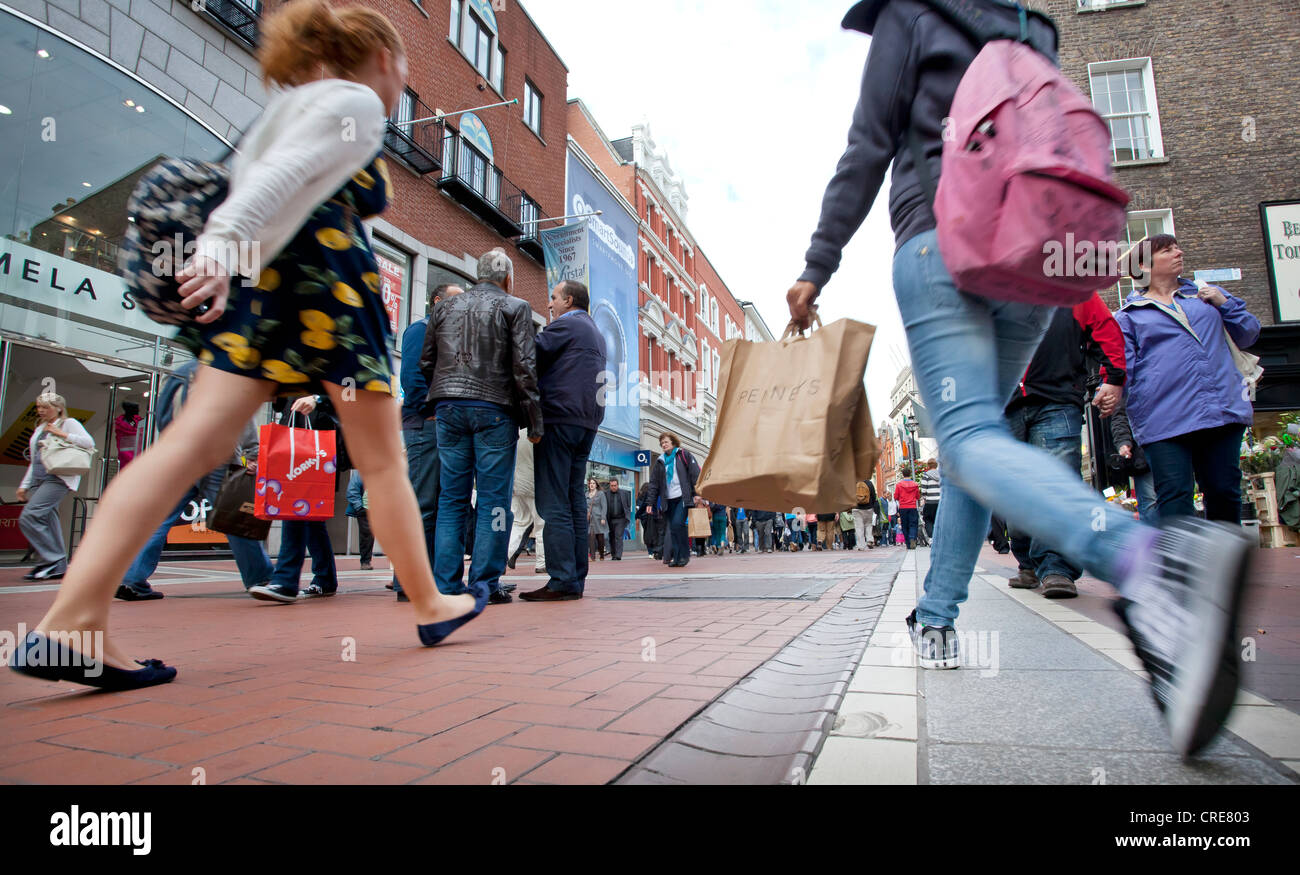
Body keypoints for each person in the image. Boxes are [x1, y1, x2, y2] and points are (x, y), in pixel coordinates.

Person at [786, 0, 1255, 757]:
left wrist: (817, 265)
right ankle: (937, 614)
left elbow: (869, 144)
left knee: (967, 437)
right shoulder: (1034, 25)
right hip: (1034, 255)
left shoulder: (911, 13)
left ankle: (1152, 564)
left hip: (944, 237)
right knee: (981, 442)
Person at [10, 1, 484, 693]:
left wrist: (229, 247)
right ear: (384, 59)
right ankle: (431, 602)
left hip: (262, 300)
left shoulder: (296, 101)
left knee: (186, 447)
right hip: (329, 299)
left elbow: (269, 172)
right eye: (405, 67)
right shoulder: (354, 101)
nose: (401, 80)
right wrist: (226, 239)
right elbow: (283, 176)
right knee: (383, 463)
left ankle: (71, 622)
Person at [422, 248, 541, 607]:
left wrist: (440, 396)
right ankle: (485, 583)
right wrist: (534, 421)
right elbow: (524, 369)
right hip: (494, 409)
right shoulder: (514, 307)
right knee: (494, 502)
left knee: (452, 499)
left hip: (449, 408)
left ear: (477, 274)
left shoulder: (443, 307)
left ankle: (445, 584)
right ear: (508, 278)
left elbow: (427, 360)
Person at [1114, 235, 1261, 524]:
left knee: (1223, 491)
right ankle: (1180, 567)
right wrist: (1111, 389)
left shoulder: (1207, 297)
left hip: (1220, 410)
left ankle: (1222, 564)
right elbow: (1123, 370)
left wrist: (1225, 303)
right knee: (1174, 497)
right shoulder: (1129, 316)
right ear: (1144, 265)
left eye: (1177, 247)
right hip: (1164, 418)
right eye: (1168, 250)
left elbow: (1249, 334)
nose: (1178, 252)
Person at [1004, 291, 1126, 598]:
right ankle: (1027, 561)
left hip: (1057, 399)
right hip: (1002, 405)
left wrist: (1113, 378)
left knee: (1056, 484)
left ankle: (1057, 566)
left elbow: (1105, 328)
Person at [118, 360, 273, 601]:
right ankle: (261, 578)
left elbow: (163, 415)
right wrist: (251, 454)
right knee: (234, 517)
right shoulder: (221, 368)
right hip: (213, 455)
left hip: (179, 455)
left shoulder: (179, 373)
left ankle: (132, 578)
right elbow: (237, 413)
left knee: (159, 519)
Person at [523, 280, 606, 602]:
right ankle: (573, 578)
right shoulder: (594, 331)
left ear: (569, 300)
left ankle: (561, 579)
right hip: (586, 421)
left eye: (553, 298)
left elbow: (529, 351)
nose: (549, 305)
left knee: (552, 501)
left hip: (559, 417)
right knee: (572, 500)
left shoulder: (567, 324)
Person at [392, 282, 462, 602]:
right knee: (422, 505)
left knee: (433, 505)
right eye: (455, 301)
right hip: (424, 426)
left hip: (438, 426)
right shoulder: (420, 330)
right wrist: (432, 413)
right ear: (436, 301)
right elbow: (413, 379)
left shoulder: (446, 335)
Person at [249, 394, 344, 602]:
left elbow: (349, 389)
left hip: (315, 447)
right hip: (296, 444)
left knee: (296, 510)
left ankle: (285, 580)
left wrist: (318, 399)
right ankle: (324, 579)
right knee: (310, 520)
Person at [17, 393, 96, 582]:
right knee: (50, 523)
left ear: (59, 407)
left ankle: (50, 559)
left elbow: (89, 443)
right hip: (38, 479)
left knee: (29, 516)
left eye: (45, 407)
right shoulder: (40, 428)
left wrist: (63, 434)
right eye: (38, 407)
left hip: (58, 478)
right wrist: (24, 485)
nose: (41, 411)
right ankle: (58, 567)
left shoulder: (69, 422)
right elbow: (35, 459)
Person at [645, 432, 704, 568]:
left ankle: (684, 555)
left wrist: (696, 493)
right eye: (662, 443)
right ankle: (676, 558)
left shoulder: (683, 454)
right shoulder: (660, 461)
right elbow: (654, 483)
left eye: (666, 442)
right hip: (668, 500)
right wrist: (650, 502)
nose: (664, 445)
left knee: (678, 524)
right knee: (673, 529)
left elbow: (694, 473)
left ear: (673, 442)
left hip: (683, 497)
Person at [1109, 399, 1157, 522]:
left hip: (1160, 445)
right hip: (1143, 453)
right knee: (1149, 502)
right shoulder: (1128, 385)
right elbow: (1120, 416)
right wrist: (1123, 442)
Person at [507, 429, 546, 576]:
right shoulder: (537, 430)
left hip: (517, 484)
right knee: (541, 524)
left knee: (518, 522)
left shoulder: (515, 430)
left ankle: (506, 555)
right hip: (536, 484)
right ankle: (542, 563)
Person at [346, 470, 374, 571]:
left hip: (381, 507)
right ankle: (365, 561)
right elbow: (352, 490)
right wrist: (359, 507)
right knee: (367, 534)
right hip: (365, 507)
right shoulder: (360, 471)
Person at [893, 467, 920, 549]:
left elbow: (896, 496)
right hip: (912, 507)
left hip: (903, 507)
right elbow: (918, 496)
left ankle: (908, 544)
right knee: (913, 524)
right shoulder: (915, 484)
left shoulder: (899, 485)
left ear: (903, 474)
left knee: (904, 525)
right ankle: (912, 538)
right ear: (910, 474)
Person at [605, 478, 631, 560]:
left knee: (618, 536)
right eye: (612, 486)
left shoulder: (624, 493)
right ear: (610, 485)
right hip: (610, 519)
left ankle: (619, 555)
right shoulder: (606, 494)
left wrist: (627, 516)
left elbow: (628, 505)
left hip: (620, 519)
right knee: (611, 537)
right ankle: (614, 554)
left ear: (618, 485)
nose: (613, 487)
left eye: (615, 486)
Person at [114, 401, 142, 469]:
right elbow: (133, 428)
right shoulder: (133, 422)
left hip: (123, 455)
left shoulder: (121, 422)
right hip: (135, 455)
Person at [586, 477, 609, 561]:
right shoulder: (586, 494)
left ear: (596, 485)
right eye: (590, 483)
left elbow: (604, 506)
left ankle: (601, 554)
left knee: (600, 538)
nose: (591, 485)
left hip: (599, 518)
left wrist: (603, 517)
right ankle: (592, 557)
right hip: (590, 519)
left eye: (593, 483)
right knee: (591, 537)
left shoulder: (600, 494)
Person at [636, 481, 660, 558]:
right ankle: (654, 550)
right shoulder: (652, 495)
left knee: (647, 534)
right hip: (651, 516)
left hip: (643, 517)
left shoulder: (640, 495)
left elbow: (640, 506)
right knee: (653, 533)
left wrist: (637, 516)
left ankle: (650, 552)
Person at [919, 461, 941, 544]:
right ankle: (939, 538)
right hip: (940, 502)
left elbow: (923, 490)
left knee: (928, 520)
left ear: (928, 466)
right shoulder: (941, 474)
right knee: (938, 520)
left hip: (930, 502)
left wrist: (925, 497)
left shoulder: (926, 475)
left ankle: (931, 538)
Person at [853, 478, 877, 549]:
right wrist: (872, 506)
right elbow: (873, 496)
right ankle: (869, 540)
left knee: (859, 527)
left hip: (856, 508)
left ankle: (861, 545)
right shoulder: (869, 483)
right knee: (868, 525)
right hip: (868, 508)